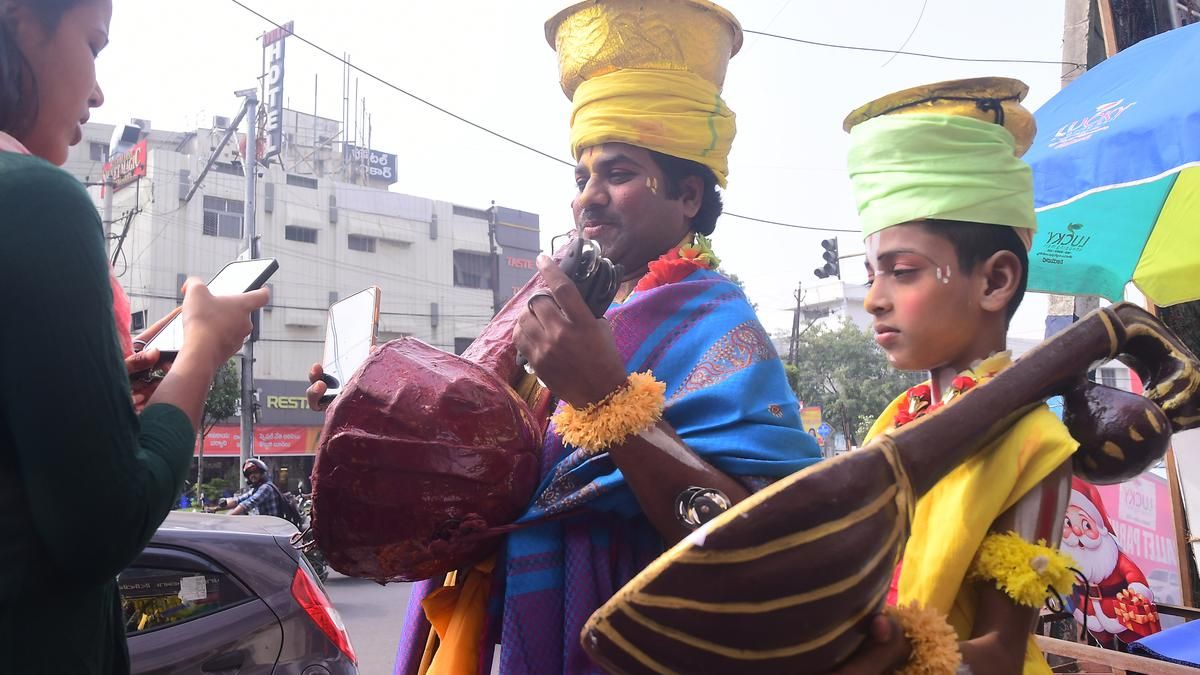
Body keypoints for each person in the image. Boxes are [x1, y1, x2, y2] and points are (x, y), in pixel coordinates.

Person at [305, 2, 820, 672]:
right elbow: (484, 461)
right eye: (582, 176)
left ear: (689, 194)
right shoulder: (561, 308)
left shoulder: (719, 327)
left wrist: (609, 396)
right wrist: (376, 414)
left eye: (620, 172)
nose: (587, 197)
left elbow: (764, 551)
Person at [0, 0, 270, 671]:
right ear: (21, 22)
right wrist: (202, 352)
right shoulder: (38, 202)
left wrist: (104, 385)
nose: (97, 89)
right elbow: (103, 526)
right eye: (93, 44)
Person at [831, 80, 1079, 674]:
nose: (874, 301)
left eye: (903, 272)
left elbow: (999, 653)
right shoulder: (900, 415)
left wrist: (882, 658)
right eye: (871, 275)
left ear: (995, 282)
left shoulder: (1036, 445)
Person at [214, 459, 291, 518]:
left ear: (262, 473)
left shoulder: (266, 488)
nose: (253, 475)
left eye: (256, 472)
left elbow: (247, 504)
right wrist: (214, 509)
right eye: (250, 474)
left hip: (272, 529)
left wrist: (226, 518)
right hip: (264, 525)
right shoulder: (257, 488)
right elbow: (238, 500)